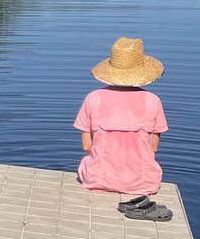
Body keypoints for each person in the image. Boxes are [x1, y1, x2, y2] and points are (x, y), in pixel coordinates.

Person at [73, 37, 172, 220]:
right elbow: (154, 147)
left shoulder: (93, 98)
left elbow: (87, 146)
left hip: (98, 180)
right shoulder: (152, 101)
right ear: (141, 71)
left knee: (85, 161)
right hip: (143, 183)